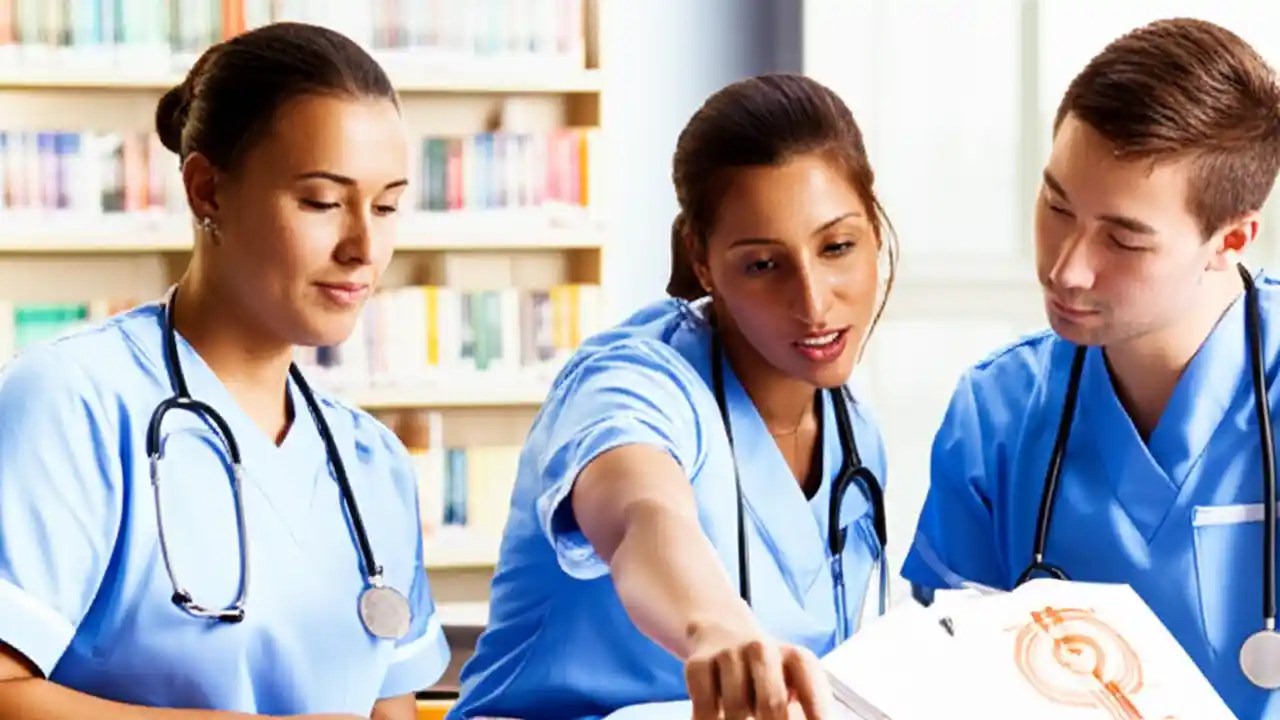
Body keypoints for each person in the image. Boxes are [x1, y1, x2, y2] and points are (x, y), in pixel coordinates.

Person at [0, 21, 448, 720]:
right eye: (323, 203)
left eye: (388, 205)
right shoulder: (72, 403)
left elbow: (389, 709)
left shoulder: (372, 464)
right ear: (207, 190)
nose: (365, 246)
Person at [447, 73, 898, 720]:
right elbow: (641, 515)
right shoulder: (632, 382)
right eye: (763, 264)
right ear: (704, 259)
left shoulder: (856, 439)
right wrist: (714, 627)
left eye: (838, 247)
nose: (814, 301)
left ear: (875, 233)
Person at [901, 17, 1280, 720]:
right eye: (1055, 206)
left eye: (1124, 238)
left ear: (1231, 239)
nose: (1066, 269)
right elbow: (941, 682)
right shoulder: (999, 413)